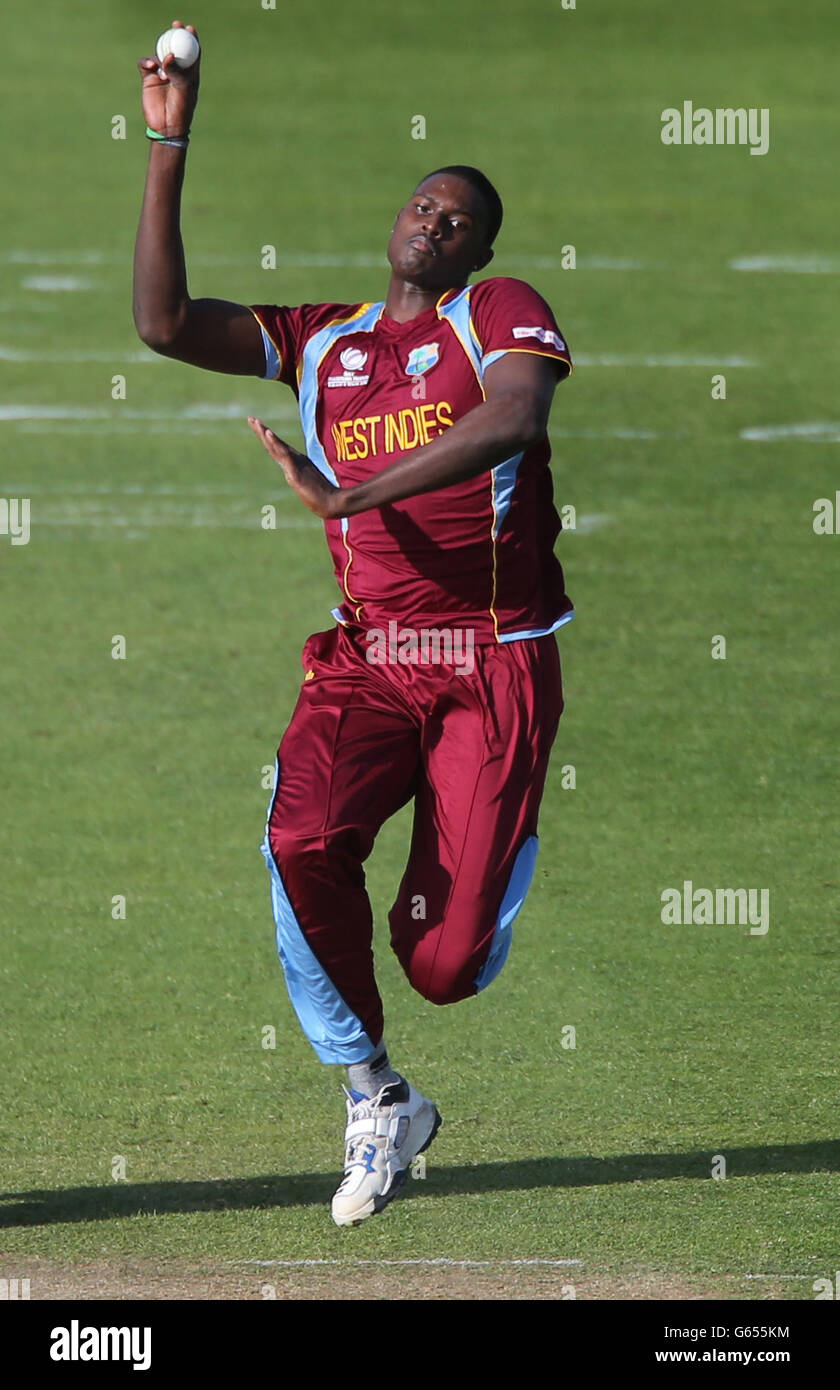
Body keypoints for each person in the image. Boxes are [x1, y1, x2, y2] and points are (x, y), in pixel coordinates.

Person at [134, 21, 574, 1226]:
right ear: (396, 222)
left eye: (458, 218)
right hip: (375, 656)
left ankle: (497, 848)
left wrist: (350, 493)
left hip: (491, 655)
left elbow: (514, 424)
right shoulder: (323, 342)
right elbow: (165, 325)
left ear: (482, 249)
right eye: (424, 204)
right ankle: (374, 1095)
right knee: (297, 838)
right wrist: (167, 142)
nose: (433, 220)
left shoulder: (497, 317)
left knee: (442, 964)